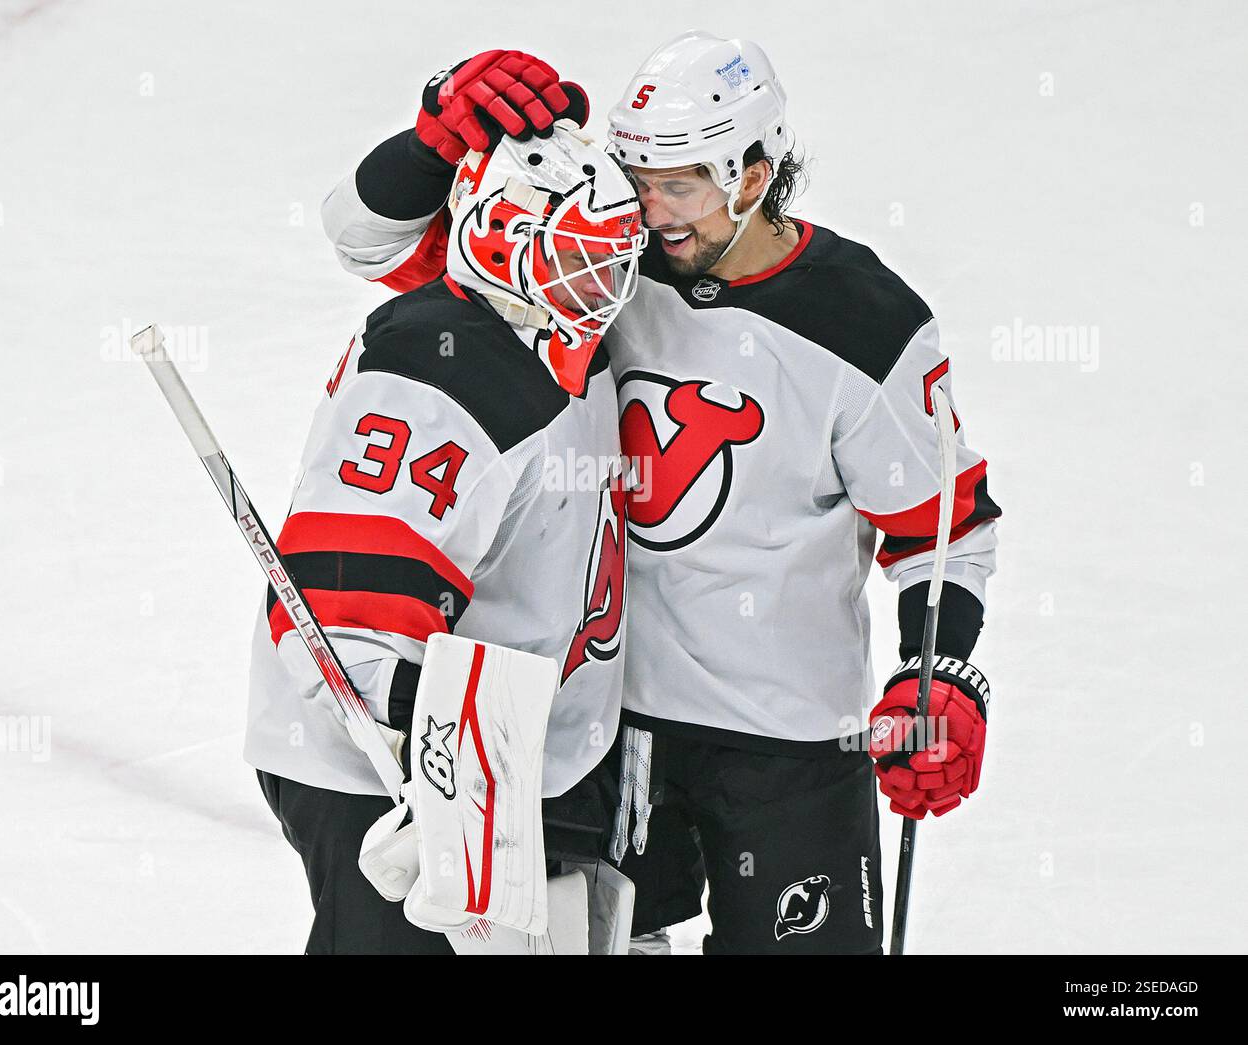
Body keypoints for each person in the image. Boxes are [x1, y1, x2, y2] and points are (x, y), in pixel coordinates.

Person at [320, 33, 1002, 954]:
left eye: (679, 184)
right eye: (638, 177)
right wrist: (430, 139)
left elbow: (945, 531)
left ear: (755, 172)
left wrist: (940, 674)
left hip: (789, 745)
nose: (650, 210)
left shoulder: (864, 320)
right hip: (613, 736)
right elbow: (372, 243)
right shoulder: (598, 267)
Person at [245, 104, 647, 953]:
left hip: (499, 761)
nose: (602, 288)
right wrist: (449, 786)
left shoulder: (544, 327)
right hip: (387, 772)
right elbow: (348, 619)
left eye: (610, 258)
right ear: (502, 240)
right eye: (577, 260)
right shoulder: (434, 370)